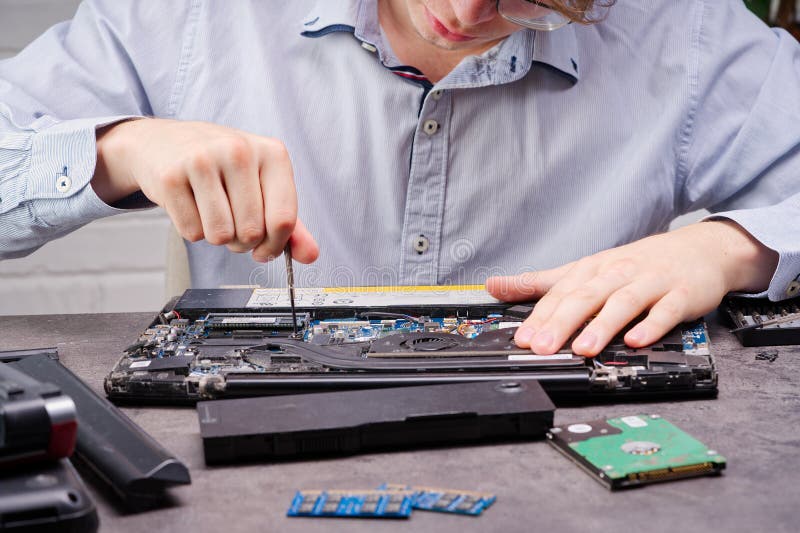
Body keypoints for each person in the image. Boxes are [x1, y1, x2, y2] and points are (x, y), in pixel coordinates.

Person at [0, 0, 798, 357]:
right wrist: (121, 148)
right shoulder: (200, 15)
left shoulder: (680, 28)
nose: (464, 10)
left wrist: (726, 251)